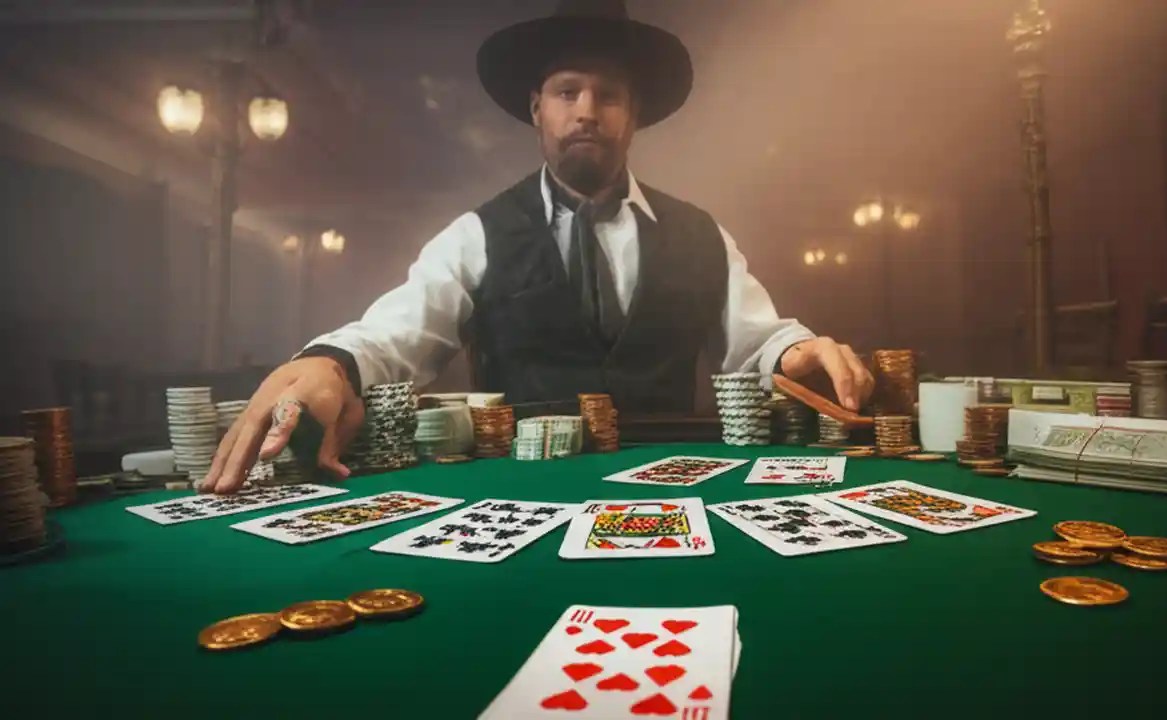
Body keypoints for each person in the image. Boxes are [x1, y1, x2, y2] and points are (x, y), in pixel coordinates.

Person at [201, 0, 874, 494]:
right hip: (520, 496)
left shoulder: (701, 233)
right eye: (567, 91)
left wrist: (798, 351)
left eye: (609, 96)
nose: (587, 111)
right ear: (536, 109)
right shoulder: (477, 234)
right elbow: (395, 333)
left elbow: (758, 342)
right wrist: (332, 364)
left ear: (635, 115)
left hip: (677, 489)